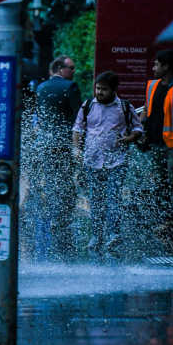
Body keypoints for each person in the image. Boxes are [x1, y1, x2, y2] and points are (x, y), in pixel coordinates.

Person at [72, 71, 143, 260]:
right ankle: (97, 236)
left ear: (113, 90)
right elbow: (77, 128)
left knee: (114, 199)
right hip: (92, 161)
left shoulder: (125, 107)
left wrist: (128, 139)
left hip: (117, 161)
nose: (99, 92)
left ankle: (114, 236)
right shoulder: (87, 106)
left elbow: (137, 128)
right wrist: (77, 150)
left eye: (103, 89)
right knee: (96, 201)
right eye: (97, 88)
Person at [30, 56, 82, 260]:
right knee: (65, 179)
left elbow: (41, 117)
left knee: (51, 177)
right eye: (71, 67)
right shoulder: (71, 87)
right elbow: (78, 116)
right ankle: (62, 216)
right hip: (63, 142)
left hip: (46, 142)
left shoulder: (41, 87)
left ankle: (52, 211)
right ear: (60, 68)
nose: (74, 71)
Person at [139, 49, 173, 251]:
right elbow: (146, 109)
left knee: (170, 184)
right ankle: (165, 222)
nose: (153, 68)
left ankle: (169, 223)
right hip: (156, 144)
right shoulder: (152, 86)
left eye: (156, 65)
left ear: (166, 66)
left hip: (171, 145)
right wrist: (142, 128)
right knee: (160, 184)